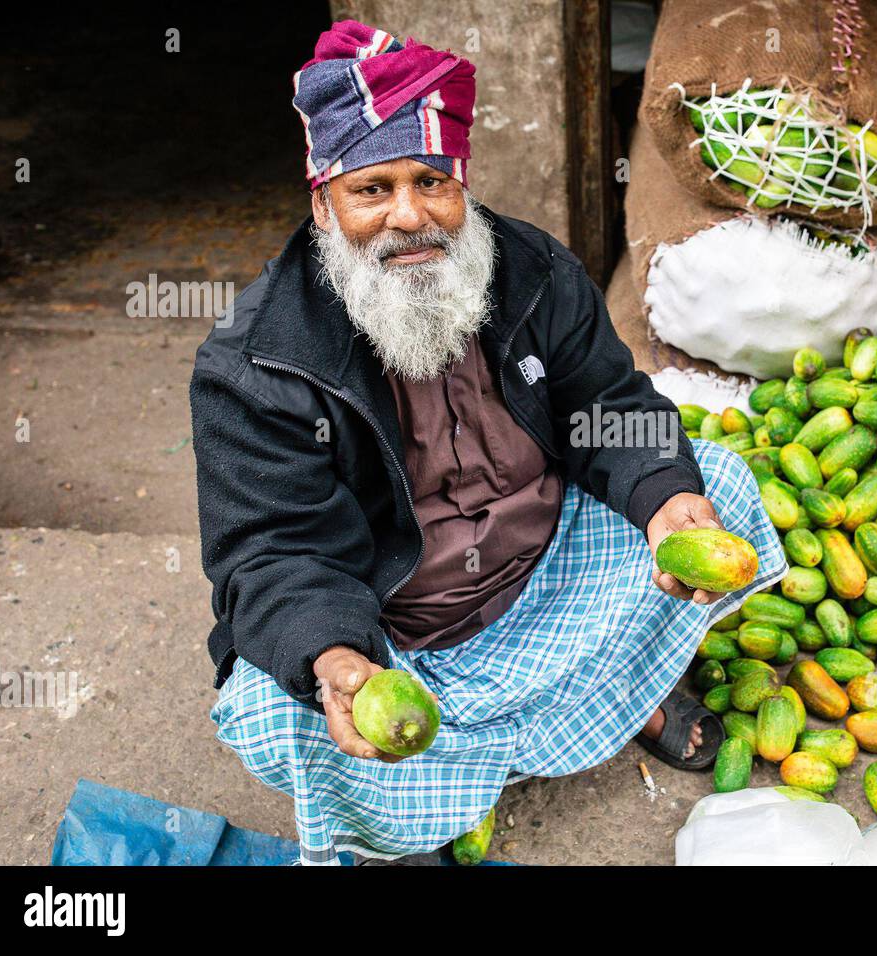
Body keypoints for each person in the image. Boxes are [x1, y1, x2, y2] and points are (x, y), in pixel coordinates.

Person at [190, 20, 784, 864]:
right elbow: (271, 551)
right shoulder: (255, 361)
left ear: (462, 184)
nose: (410, 217)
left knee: (710, 482)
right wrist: (336, 657)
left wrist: (666, 497)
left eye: (433, 181)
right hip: (395, 624)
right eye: (373, 190)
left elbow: (609, 405)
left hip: (541, 568)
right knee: (267, 704)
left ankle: (625, 697)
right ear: (321, 198)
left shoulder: (532, 270)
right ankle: (416, 808)